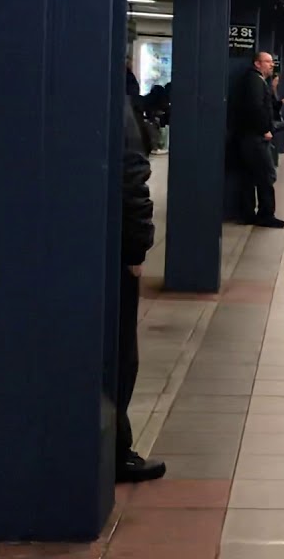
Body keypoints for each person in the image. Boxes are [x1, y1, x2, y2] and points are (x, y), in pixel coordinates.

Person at [117, 92, 165, 482]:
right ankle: (116, 451)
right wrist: (136, 246)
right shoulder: (115, 99)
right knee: (119, 353)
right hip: (110, 251)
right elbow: (133, 174)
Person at [231, 52, 284, 228]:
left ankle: (247, 214)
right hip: (255, 138)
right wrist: (265, 130)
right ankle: (265, 215)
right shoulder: (255, 81)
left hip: (248, 137)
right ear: (257, 63)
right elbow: (255, 108)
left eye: (272, 62)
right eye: (268, 62)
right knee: (266, 175)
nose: (272, 65)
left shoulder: (254, 79)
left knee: (249, 176)